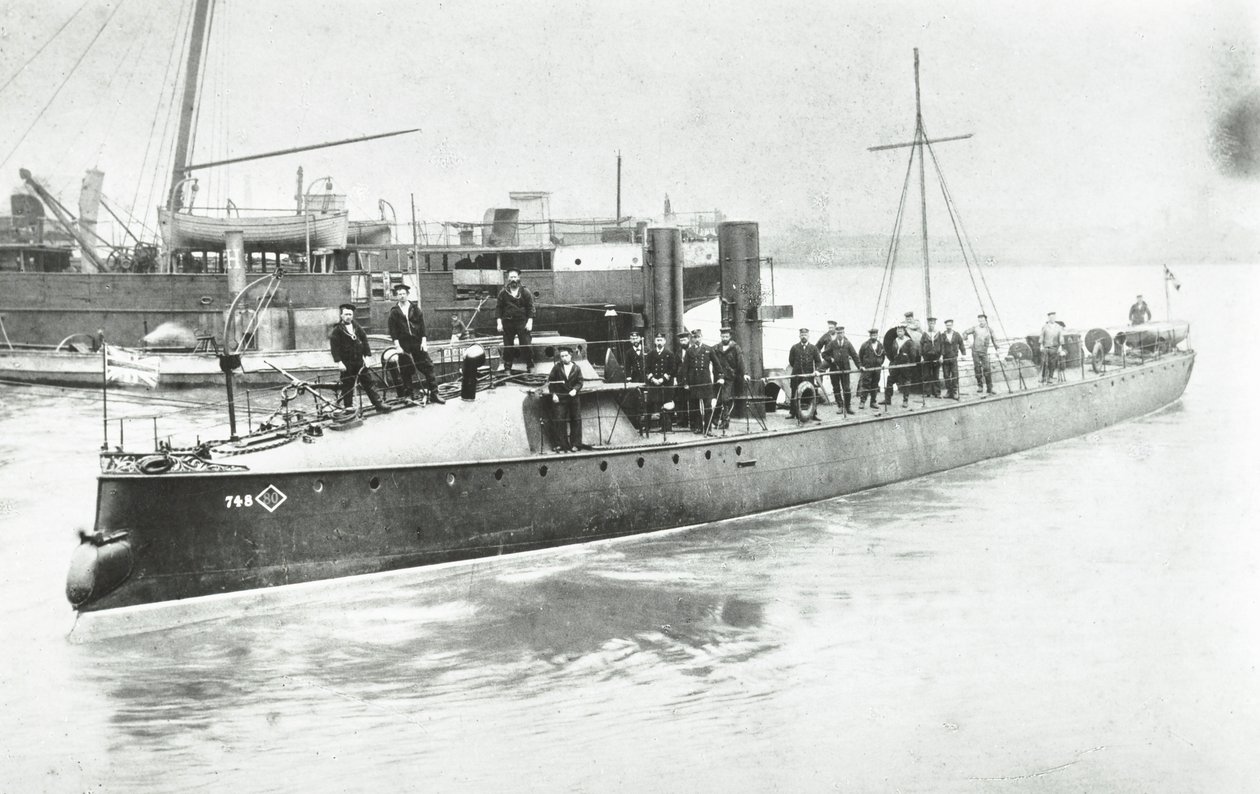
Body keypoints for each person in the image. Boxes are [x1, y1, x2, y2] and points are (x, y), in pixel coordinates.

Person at [387, 284, 445, 404]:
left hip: (417, 342)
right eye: (399, 294)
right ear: (396, 296)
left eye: (403, 293)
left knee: (428, 366)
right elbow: (393, 331)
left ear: (407, 295)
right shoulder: (394, 312)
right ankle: (408, 396)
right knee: (405, 369)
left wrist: (424, 342)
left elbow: (422, 326)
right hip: (404, 344)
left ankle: (434, 393)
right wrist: (397, 346)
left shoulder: (415, 309)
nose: (402, 296)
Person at [328, 303, 390, 413]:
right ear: (341, 316)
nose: (348, 317)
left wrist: (367, 357)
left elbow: (365, 340)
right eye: (346, 314)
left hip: (359, 361)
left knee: (368, 382)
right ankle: (349, 407)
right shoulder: (337, 330)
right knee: (348, 384)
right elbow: (334, 348)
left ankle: (378, 404)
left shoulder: (356, 327)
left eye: (350, 314)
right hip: (347, 363)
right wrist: (339, 362)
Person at [679, 328, 726, 434]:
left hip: (705, 381)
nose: (697, 339)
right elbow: (685, 368)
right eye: (694, 337)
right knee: (695, 406)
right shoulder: (689, 351)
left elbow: (717, 364)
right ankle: (698, 427)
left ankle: (708, 428)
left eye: (698, 337)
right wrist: (685, 383)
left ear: (702, 337)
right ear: (692, 339)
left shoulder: (708, 349)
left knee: (708, 407)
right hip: (693, 382)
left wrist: (721, 377)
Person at [496, 268, 535, 370]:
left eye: (515, 277)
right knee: (508, 346)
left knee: (526, 344)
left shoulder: (525, 291)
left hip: (522, 322)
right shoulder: (503, 293)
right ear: (508, 279)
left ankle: (530, 365)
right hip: (507, 323)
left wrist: (530, 321)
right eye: (511, 277)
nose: (513, 279)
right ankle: (507, 367)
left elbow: (530, 307)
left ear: (518, 278)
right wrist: (499, 323)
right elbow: (498, 308)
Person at [547, 346, 583, 451]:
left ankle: (576, 444)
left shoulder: (577, 368)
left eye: (566, 355)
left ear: (570, 356)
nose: (564, 358)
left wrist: (575, 390)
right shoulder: (557, 367)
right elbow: (551, 382)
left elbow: (580, 382)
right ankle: (561, 444)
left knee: (576, 419)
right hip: (560, 397)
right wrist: (553, 394)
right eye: (562, 356)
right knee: (559, 420)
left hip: (573, 398)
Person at [644, 331, 677, 434]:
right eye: (657, 340)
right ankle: (647, 426)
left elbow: (672, 369)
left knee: (666, 404)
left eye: (661, 340)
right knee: (649, 404)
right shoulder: (650, 354)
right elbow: (647, 369)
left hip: (665, 384)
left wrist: (663, 379)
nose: (659, 342)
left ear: (664, 341)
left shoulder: (669, 354)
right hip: (653, 383)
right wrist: (652, 379)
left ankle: (666, 427)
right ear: (655, 341)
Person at [714, 326, 747, 429]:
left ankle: (725, 421)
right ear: (720, 336)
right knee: (718, 399)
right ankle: (715, 420)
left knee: (725, 399)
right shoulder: (716, 348)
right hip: (719, 377)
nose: (724, 338)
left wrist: (744, 373)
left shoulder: (735, 348)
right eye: (723, 336)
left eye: (726, 336)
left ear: (730, 336)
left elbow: (740, 362)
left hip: (729, 377)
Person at [787, 327, 823, 420]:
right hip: (797, 376)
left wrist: (817, 370)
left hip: (809, 376)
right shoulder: (794, 347)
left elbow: (818, 361)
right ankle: (792, 413)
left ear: (808, 336)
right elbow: (791, 361)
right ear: (799, 336)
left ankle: (813, 414)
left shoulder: (813, 348)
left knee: (812, 393)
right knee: (794, 393)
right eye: (802, 335)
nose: (804, 337)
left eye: (805, 335)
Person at [822, 325, 859, 414]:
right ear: (836, 333)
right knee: (836, 388)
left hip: (845, 370)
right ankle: (840, 406)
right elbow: (824, 354)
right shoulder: (832, 343)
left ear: (844, 333)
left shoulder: (847, 343)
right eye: (838, 333)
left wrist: (860, 366)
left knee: (846, 388)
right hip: (834, 370)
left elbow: (854, 355)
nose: (840, 335)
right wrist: (830, 359)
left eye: (841, 333)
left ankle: (848, 406)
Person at [963, 313, 999, 395]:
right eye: (980, 320)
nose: (981, 322)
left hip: (984, 352)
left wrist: (997, 349)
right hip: (975, 352)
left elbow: (994, 340)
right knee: (977, 369)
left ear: (986, 320)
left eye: (982, 320)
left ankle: (989, 388)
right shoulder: (975, 328)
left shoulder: (989, 330)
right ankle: (980, 386)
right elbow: (964, 333)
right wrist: (968, 342)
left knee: (987, 369)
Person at [883, 324, 917, 408]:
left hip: (905, 365)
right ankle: (887, 399)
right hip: (896, 364)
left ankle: (905, 400)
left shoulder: (909, 342)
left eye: (901, 331)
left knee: (906, 381)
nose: (899, 333)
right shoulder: (895, 341)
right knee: (890, 380)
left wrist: (910, 363)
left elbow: (913, 354)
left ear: (904, 332)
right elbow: (892, 352)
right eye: (898, 331)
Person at [857, 327, 884, 409]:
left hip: (877, 369)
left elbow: (883, 356)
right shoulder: (865, 345)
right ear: (870, 336)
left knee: (875, 385)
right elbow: (860, 356)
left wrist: (879, 363)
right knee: (865, 385)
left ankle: (873, 402)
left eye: (875, 335)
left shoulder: (880, 345)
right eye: (872, 335)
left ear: (877, 335)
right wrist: (862, 365)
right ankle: (862, 402)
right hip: (867, 369)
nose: (873, 337)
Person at [939, 319, 966, 399]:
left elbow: (961, 344)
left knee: (955, 375)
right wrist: (941, 356)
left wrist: (963, 354)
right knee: (946, 375)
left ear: (952, 325)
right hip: (945, 359)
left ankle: (954, 392)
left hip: (954, 358)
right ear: (945, 326)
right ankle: (949, 391)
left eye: (950, 325)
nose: (948, 327)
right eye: (947, 325)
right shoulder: (942, 335)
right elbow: (941, 346)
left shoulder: (956, 335)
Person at [920, 317, 944, 397]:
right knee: (926, 375)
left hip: (936, 357)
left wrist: (941, 356)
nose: (931, 325)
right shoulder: (925, 334)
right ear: (928, 324)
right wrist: (922, 356)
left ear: (935, 324)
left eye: (933, 323)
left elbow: (942, 344)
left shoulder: (938, 333)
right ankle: (927, 392)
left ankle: (937, 393)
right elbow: (921, 344)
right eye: (930, 323)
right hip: (927, 357)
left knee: (936, 375)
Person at [1040, 311, 1065, 383]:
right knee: (1044, 362)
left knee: (1052, 363)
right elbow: (1041, 336)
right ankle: (1043, 377)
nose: (1052, 319)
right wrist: (1041, 345)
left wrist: (1060, 347)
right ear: (1048, 318)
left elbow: (1061, 337)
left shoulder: (1058, 327)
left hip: (1054, 347)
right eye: (1051, 317)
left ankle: (1050, 377)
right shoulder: (1045, 327)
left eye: (1054, 317)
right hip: (1046, 347)